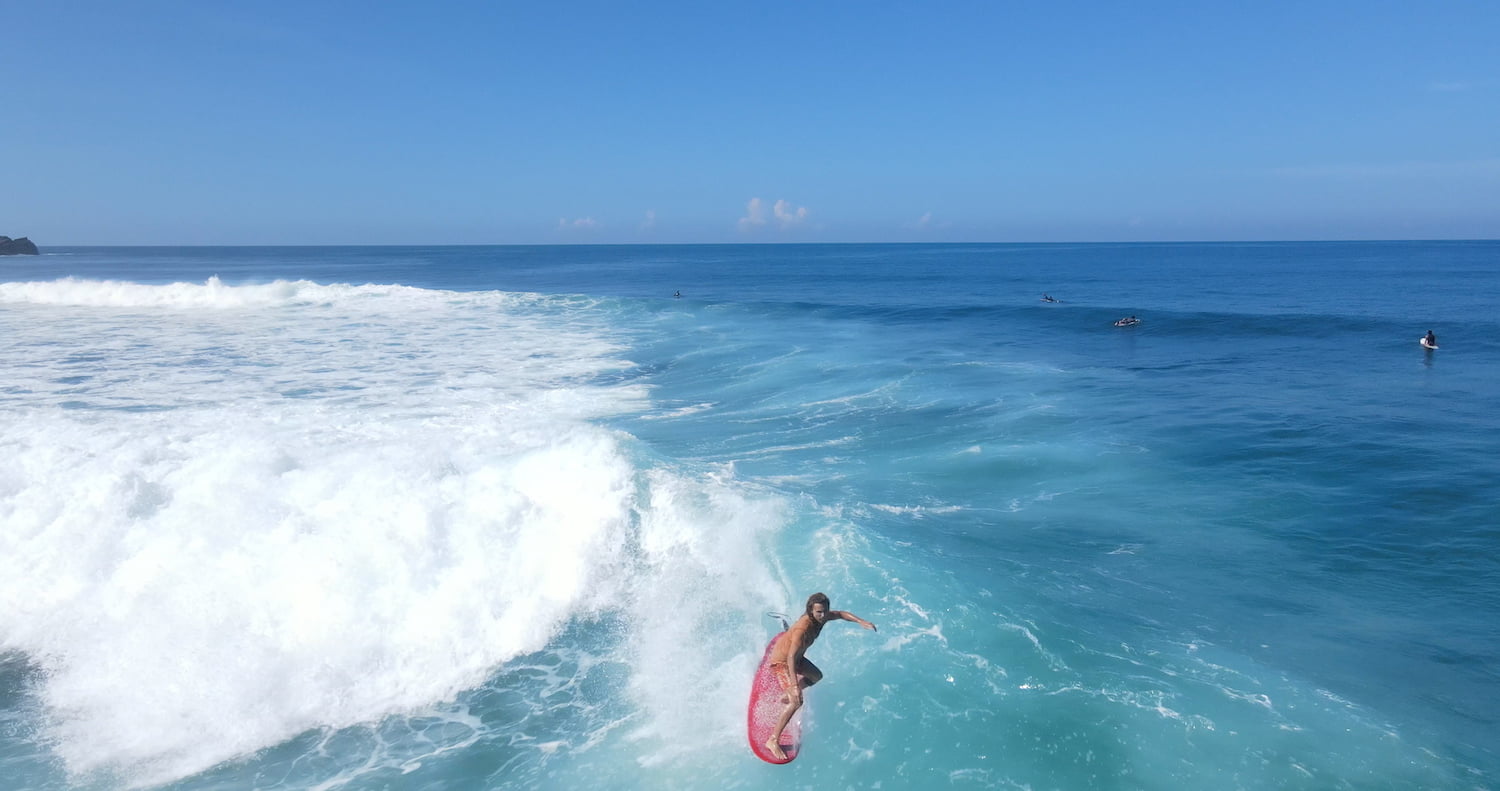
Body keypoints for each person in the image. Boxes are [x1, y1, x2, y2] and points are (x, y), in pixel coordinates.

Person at [764, 592, 876, 760]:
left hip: (797, 658)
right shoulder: (802, 629)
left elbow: (840, 614)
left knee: (816, 676)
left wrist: (861, 621)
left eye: (825, 611)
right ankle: (772, 740)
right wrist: (794, 686)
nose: (823, 616)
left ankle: (787, 695)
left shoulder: (822, 617)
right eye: (819, 612)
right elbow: (790, 658)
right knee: (797, 701)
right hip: (782, 662)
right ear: (810, 611)